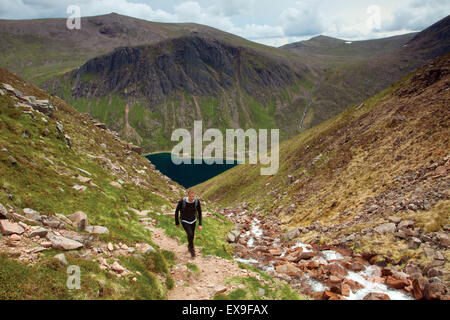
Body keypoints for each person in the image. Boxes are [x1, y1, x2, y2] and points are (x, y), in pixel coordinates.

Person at [175, 190, 202, 257]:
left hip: (193, 220)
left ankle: (189, 245)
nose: (192, 198)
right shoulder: (182, 201)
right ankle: (192, 249)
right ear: (188, 195)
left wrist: (200, 224)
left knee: (192, 235)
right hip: (184, 220)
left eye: (193, 196)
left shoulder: (196, 201)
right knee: (190, 233)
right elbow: (176, 211)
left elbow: (200, 212)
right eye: (190, 196)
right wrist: (177, 222)